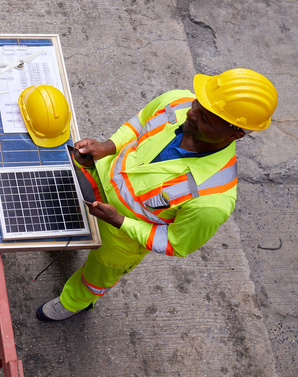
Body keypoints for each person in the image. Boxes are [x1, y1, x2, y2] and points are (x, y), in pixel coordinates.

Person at [37, 68, 278, 321]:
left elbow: (175, 243)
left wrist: (120, 221)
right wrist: (109, 146)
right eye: (198, 103)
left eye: (205, 118)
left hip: (122, 237)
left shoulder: (213, 199)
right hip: (98, 177)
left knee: (97, 276)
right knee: (67, 217)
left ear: (234, 134)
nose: (191, 114)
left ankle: (73, 302)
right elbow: (141, 120)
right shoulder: (178, 102)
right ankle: (71, 240)